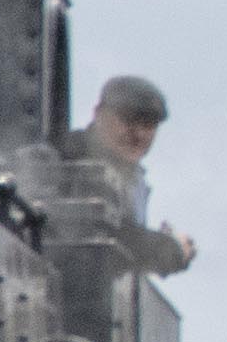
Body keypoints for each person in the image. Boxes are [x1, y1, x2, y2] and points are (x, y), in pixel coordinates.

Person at [86, 72, 200, 272]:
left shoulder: (133, 179)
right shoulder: (75, 158)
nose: (138, 134)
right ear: (98, 114)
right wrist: (168, 248)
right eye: (128, 120)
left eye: (147, 125)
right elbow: (103, 233)